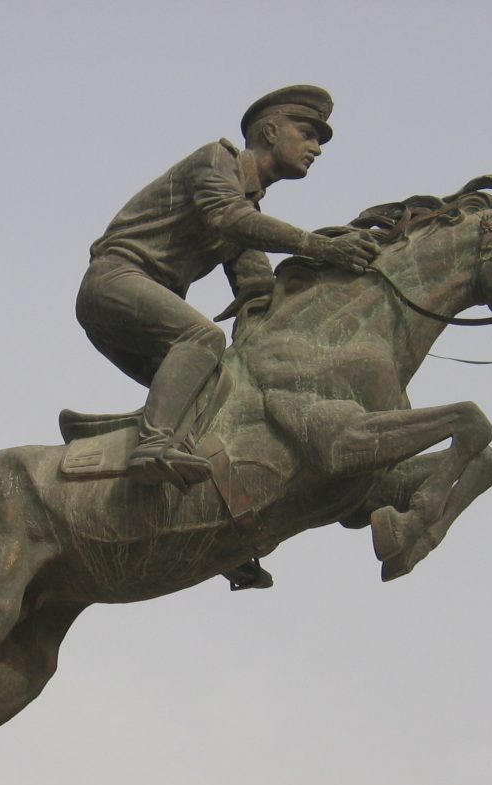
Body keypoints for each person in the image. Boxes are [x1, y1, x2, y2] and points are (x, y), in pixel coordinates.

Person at [76, 85, 379, 489]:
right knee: (203, 338)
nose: (316, 148)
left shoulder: (249, 212)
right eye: (307, 133)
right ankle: (152, 448)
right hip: (113, 282)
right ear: (270, 132)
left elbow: (258, 292)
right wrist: (321, 246)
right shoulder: (216, 160)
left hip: (142, 303)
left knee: (221, 388)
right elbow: (228, 218)